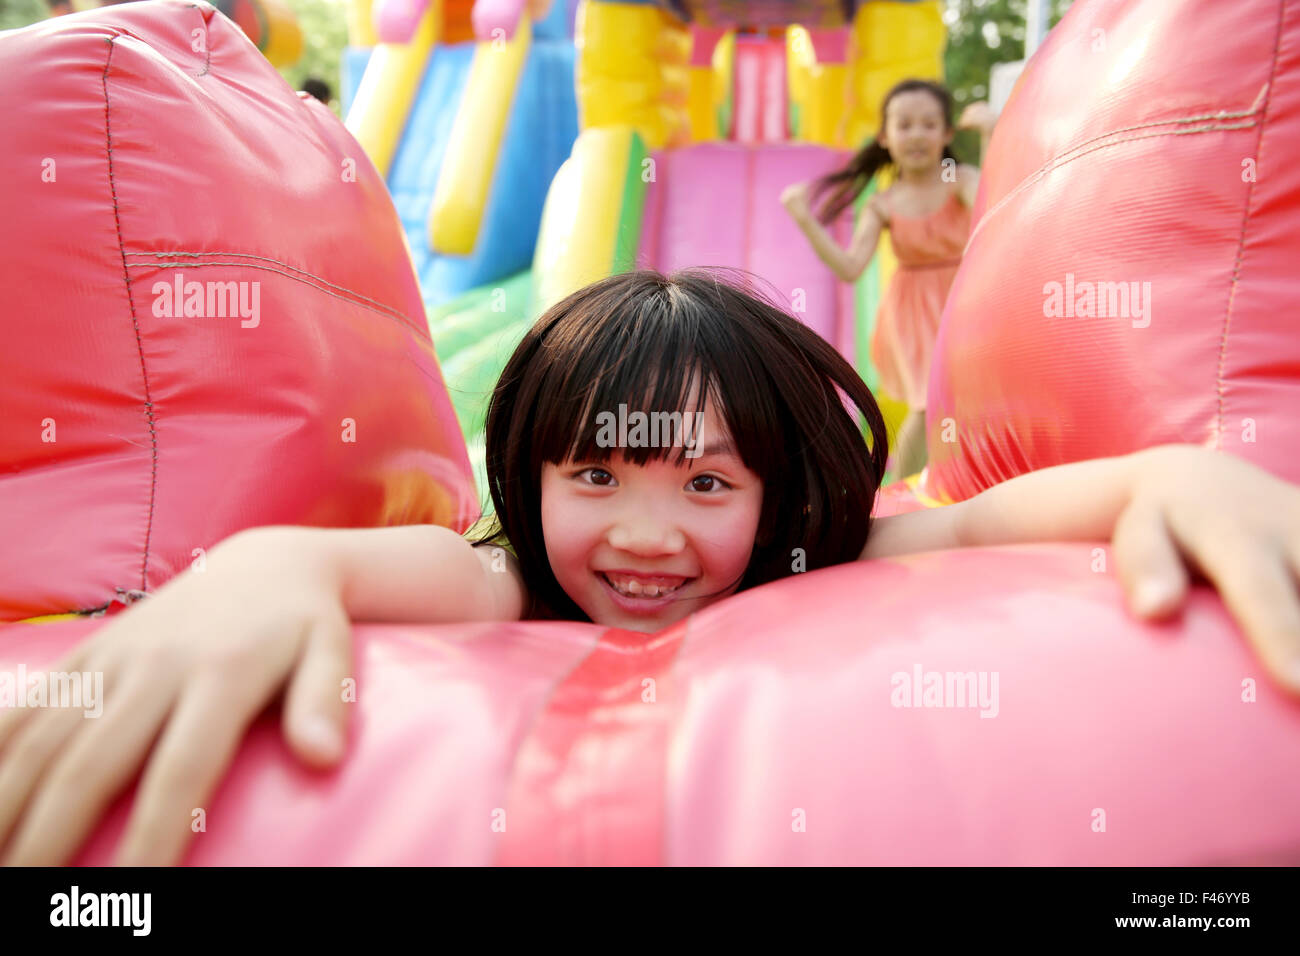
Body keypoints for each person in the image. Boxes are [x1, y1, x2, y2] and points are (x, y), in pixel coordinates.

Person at [3, 268, 1300, 866]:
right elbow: (391, 567)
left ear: (776, 495)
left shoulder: (808, 559)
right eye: (595, 476)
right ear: (531, 479)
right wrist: (263, 572)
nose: (641, 533)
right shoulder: (515, 581)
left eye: (705, 484)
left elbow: (970, 527)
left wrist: (1166, 477)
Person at [781, 79, 993, 479]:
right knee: (928, 402)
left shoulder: (960, 180)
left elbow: (992, 207)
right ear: (885, 137)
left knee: (973, 399)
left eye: (929, 124)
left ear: (947, 133)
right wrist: (805, 219)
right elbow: (850, 268)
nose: (917, 134)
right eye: (904, 125)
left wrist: (990, 135)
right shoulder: (883, 204)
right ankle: (898, 490)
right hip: (914, 313)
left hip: (966, 300)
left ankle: (958, 480)